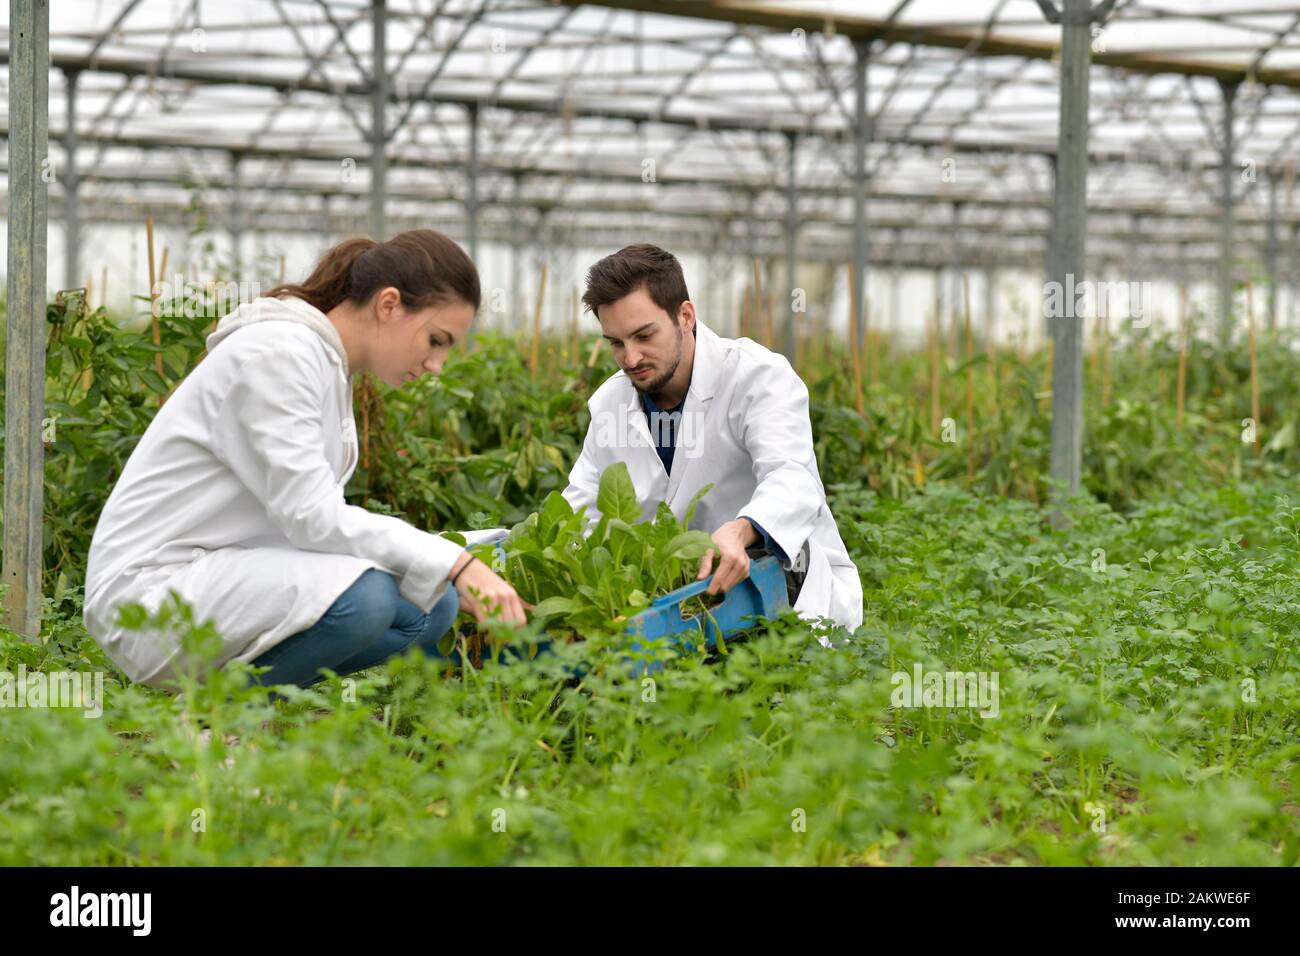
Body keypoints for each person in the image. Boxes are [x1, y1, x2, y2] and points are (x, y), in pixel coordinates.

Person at [83, 229, 527, 690]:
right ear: (389, 305)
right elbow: (312, 518)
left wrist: (453, 559)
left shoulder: (324, 364)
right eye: (436, 339)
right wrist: (456, 562)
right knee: (370, 599)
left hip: (221, 575)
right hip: (149, 595)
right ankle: (222, 720)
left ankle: (243, 701)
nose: (437, 365)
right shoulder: (279, 354)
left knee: (432, 607)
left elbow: (315, 525)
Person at [561, 244, 863, 639]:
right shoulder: (610, 404)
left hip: (785, 597)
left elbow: (793, 478)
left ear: (685, 316)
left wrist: (740, 531)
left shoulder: (757, 378)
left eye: (644, 335)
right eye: (615, 342)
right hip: (680, 607)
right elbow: (579, 509)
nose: (630, 358)